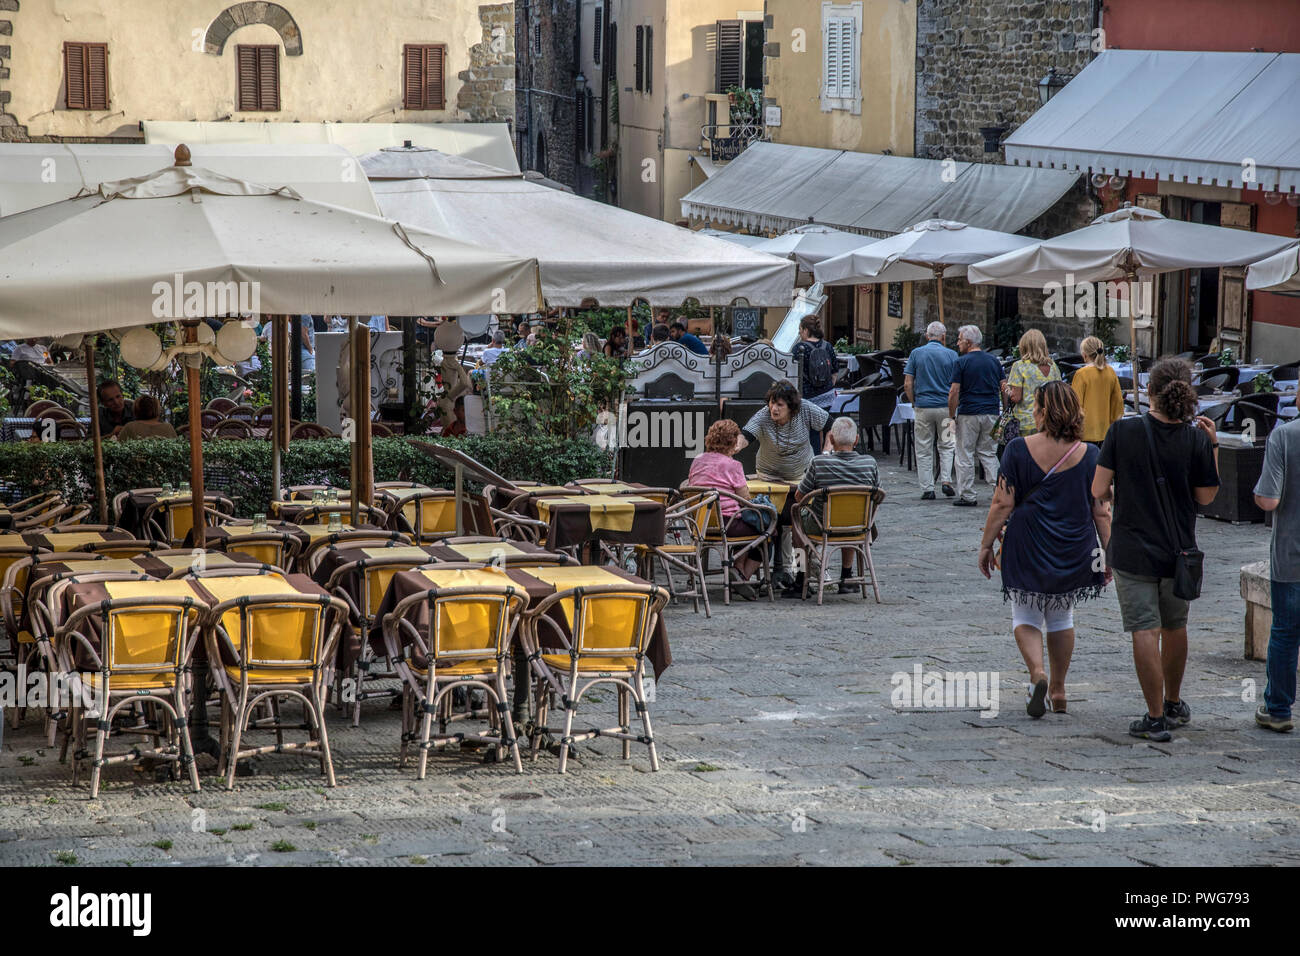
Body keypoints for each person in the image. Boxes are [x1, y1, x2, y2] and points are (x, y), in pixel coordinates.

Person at [1092, 358, 1219, 742]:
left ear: (1150, 392)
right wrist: (1212, 444)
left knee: (1144, 630)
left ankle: (1154, 716)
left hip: (1131, 547)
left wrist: (1122, 492)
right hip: (1178, 549)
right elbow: (1207, 497)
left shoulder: (1122, 432)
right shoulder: (1196, 438)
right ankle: (1174, 701)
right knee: (1175, 626)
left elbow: (1098, 490)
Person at [979, 382, 1110, 717]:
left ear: (1042, 411)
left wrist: (985, 545)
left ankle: (1037, 673)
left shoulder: (1018, 449)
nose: (1033, 412)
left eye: (1036, 407)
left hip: (1028, 540)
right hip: (1074, 544)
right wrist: (1109, 553)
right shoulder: (1092, 455)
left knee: (1025, 614)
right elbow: (1101, 510)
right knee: (1062, 616)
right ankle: (1059, 689)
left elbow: (1001, 503)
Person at [737, 380, 830, 589]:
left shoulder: (805, 410)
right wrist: (729, 449)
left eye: (779, 405)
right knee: (774, 521)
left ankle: (800, 574)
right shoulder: (763, 415)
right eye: (772, 403)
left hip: (800, 478)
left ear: (791, 407)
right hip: (769, 477)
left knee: (799, 527)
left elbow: (830, 425)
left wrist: (825, 455)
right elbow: (746, 436)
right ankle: (780, 571)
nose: (774, 408)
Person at [789, 416, 880, 598]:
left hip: (822, 526)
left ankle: (800, 575)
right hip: (859, 526)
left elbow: (799, 496)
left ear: (830, 440)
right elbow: (877, 495)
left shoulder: (818, 463)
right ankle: (847, 575)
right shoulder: (870, 463)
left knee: (795, 515)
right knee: (850, 516)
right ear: (856, 440)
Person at [1252, 416, 1300, 732]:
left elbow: (1269, 500)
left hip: (1291, 554)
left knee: (1285, 631)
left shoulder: (1284, 436)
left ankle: (1278, 709)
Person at [686, 419, 762, 600]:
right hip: (728, 523)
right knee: (766, 530)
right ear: (734, 442)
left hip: (701, 524)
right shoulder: (733, 465)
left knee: (749, 529)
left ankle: (737, 571)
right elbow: (745, 499)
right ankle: (740, 575)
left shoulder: (697, 460)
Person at [948, 325, 1005, 507]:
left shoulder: (961, 362)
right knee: (989, 453)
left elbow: (954, 391)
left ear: (968, 342)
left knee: (964, 453)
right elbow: (1003, 386)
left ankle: (968, 494)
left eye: (959, 339)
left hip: (969, 412)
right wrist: (1004, 410)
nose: (957, 343)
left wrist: (951, 415)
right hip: (991, 412)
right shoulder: (994, 361)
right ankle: (999, 490)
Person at [904, 321, 957, 499]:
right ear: (943, 337)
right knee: (948, 445)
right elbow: (956, 385)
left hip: (924, 406)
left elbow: (907, 383)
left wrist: (913, 402)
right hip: (946, 408)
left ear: (927, 336)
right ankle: (946, 480)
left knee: (923, 447)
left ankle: (927, 488)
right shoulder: (952, 355)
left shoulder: (916, 354)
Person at [1003, 329, 1061, 438]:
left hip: (1026, 422)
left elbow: (1016, 397)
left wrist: (1006, 388)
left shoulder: (1020, 366)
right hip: (1049, 421)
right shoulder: (1053, 366)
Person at [792, 316, 838, 451]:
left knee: (812, 431)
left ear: (806, 330)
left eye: (800, 329)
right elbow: (834, 372)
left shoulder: (799, 348)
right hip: (828, 396)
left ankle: (815, 458)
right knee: (826, 426)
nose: (799, 333)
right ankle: (826, 456)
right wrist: (825, 387)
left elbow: (792, 374)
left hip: (808, 398)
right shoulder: (827, 346)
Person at [1071, 335, 1124, 447]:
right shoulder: (1111, 372)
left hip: (1084, 434)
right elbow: (1118, 404)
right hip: (1106, 432)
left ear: (1084, 355)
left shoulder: (1081, 374)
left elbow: (1075, 406)